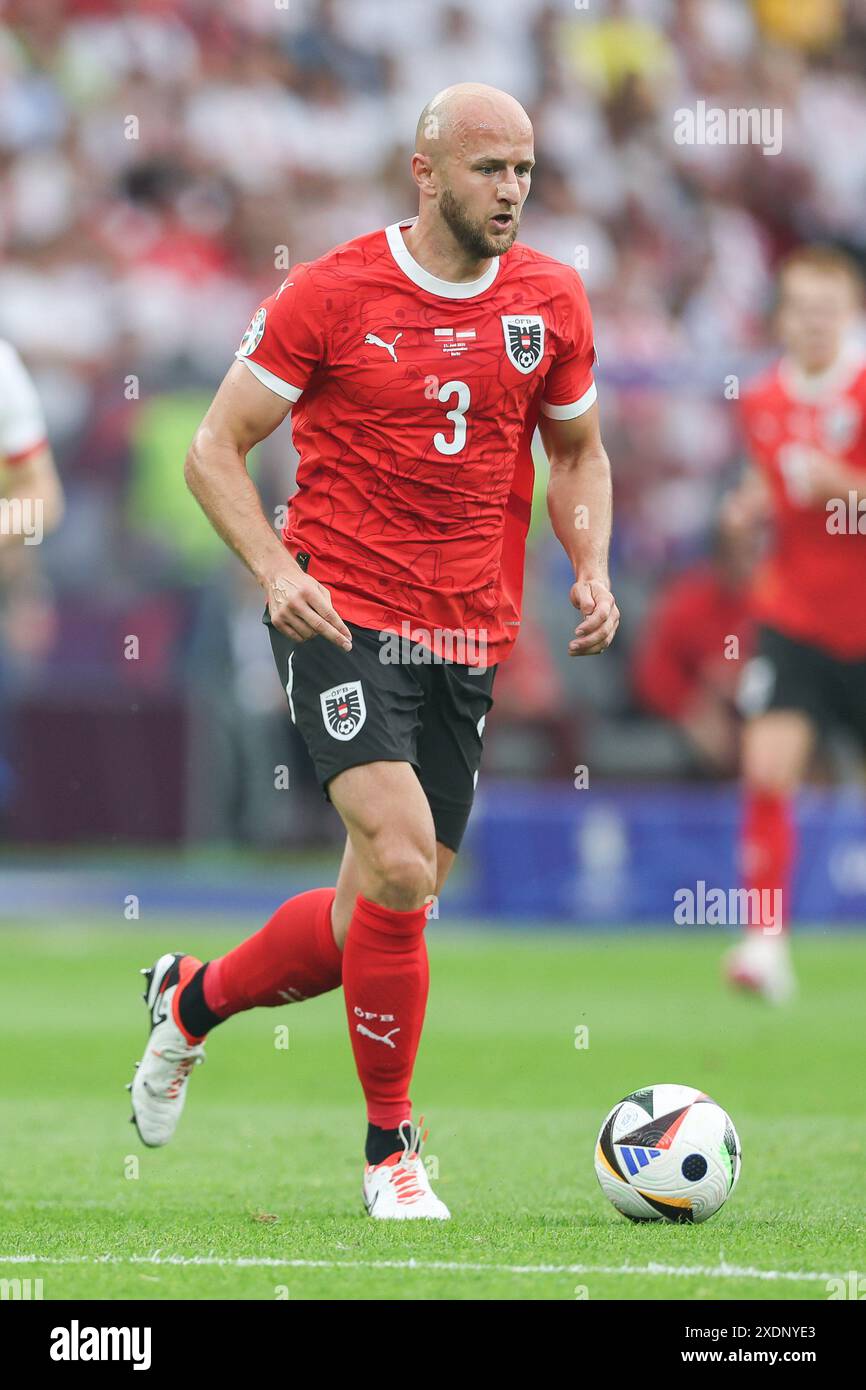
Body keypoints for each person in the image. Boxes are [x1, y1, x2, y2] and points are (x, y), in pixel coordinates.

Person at [129, 83, 619, 1218]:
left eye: (525, 172)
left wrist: (590, 565)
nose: (510, 191)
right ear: (427, 169)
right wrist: (277, 572)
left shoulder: (550, 298)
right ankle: (390, 1150)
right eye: (489, 169)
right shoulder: (332, 292)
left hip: (469, 634)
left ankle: (189, 1004)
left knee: (378, 918)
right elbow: (216, 449)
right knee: (400, 861)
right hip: (338, 616)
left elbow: (578, 450)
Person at [723, 246, 866, 1003]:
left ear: (850, 314)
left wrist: (846, 486)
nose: (812, 322)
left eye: (827, 308)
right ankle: (764, 943)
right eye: (800, 308)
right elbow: (768, 482)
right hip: (796, 618)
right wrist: (749, 506)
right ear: (782, 314)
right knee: (767, 769)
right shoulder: (764, 398)